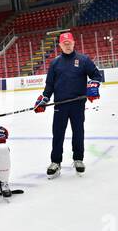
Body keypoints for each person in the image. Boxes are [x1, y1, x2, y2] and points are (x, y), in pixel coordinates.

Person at [35, 31, 104, 177]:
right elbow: (49, 85)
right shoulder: (55, 63)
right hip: (60, 105)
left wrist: (93, 86)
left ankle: (78, 159)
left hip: (78, 104)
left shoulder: (83, 60)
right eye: (64, 43)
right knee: (58, 134)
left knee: (78, 132)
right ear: (60, 45)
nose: (67, 45)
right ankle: (56, 162)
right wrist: (44, 99)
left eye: (69, 42)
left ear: (73, 43)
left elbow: (96, 75)